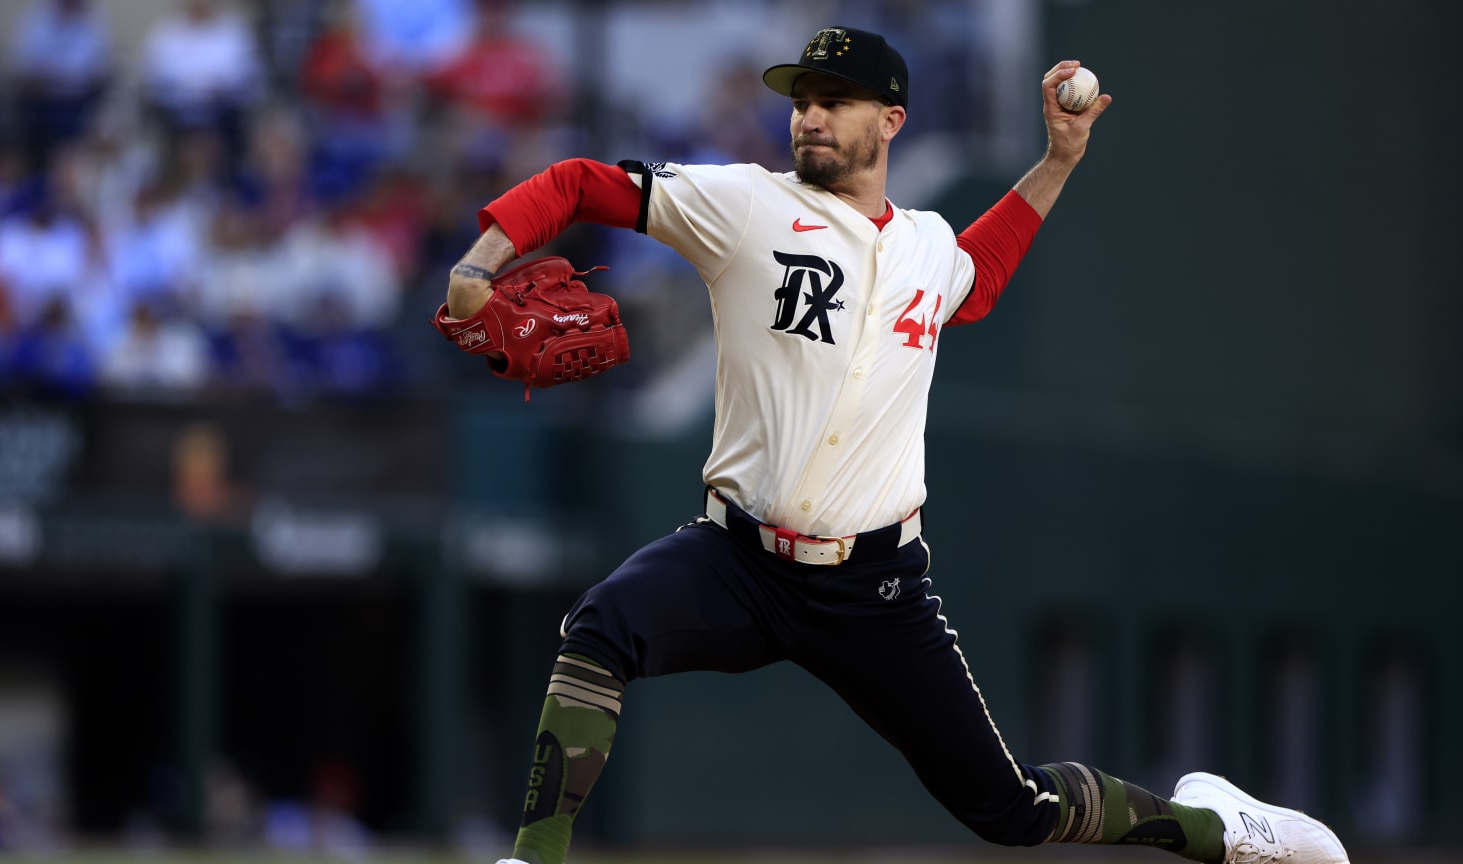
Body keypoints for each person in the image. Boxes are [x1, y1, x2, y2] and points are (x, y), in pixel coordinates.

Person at [442, 26, 1351, 864]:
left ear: (892, 120)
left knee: (1015, 811)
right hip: (736, 558)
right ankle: (536, 858)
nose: (810, 116)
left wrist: (1056, 161)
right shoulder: (745, 207)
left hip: (875, 589)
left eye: (833, 99)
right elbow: (575, 182)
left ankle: (1222, 830)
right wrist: (480, 263)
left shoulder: (924, 244)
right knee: (602, 627)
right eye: (802, 99)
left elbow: (979, 277)